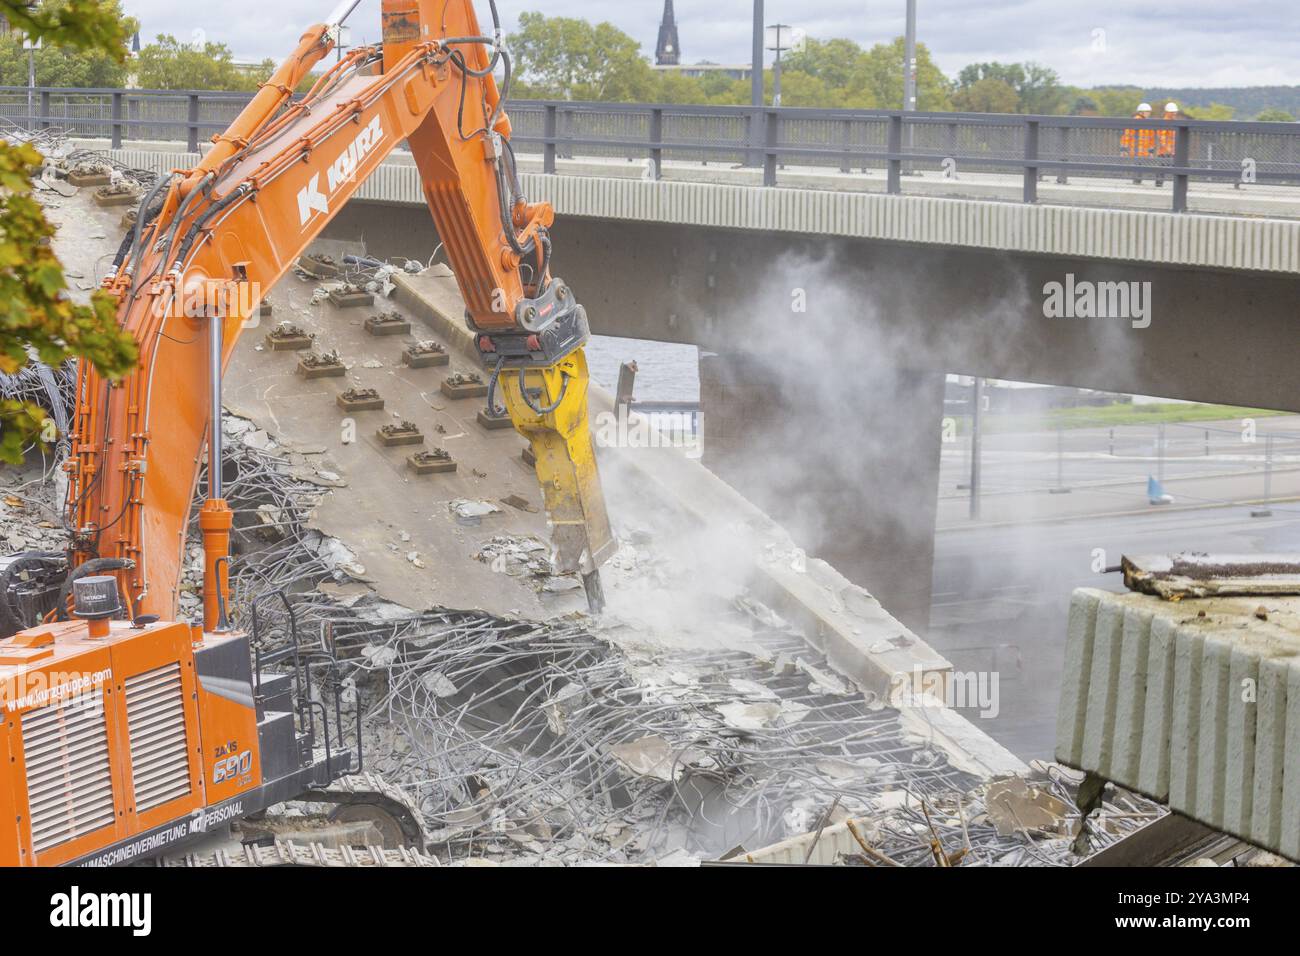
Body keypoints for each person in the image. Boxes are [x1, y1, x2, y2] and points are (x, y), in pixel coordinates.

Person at [1122, 103, 1155, 185]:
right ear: (1141, 112)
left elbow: (1151, 138)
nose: (1149, 114)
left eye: (1149, 112)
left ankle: (1137, 181)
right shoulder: (1135, 121)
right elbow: (1127, 135)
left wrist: (1151, 151)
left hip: (1142, 150)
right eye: (1147, 112)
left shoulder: (1147, 123)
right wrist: (1124, 149)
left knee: (1140, 166)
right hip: (1137, 150)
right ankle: (1137, 181)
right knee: (1138, 165)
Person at [1155, 102, 1180, 187]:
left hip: (1171, 151)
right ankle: (1159, 184)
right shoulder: (1165, 122)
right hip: (1164, 152)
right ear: (1167, 112)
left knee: (1175, 167)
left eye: (1175, 112)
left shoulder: (1173, 122)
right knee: (1162, 168)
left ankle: (1179, 185)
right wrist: (1167, 148)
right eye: (1172, 112)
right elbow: (1162, 137)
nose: (1174, 113)